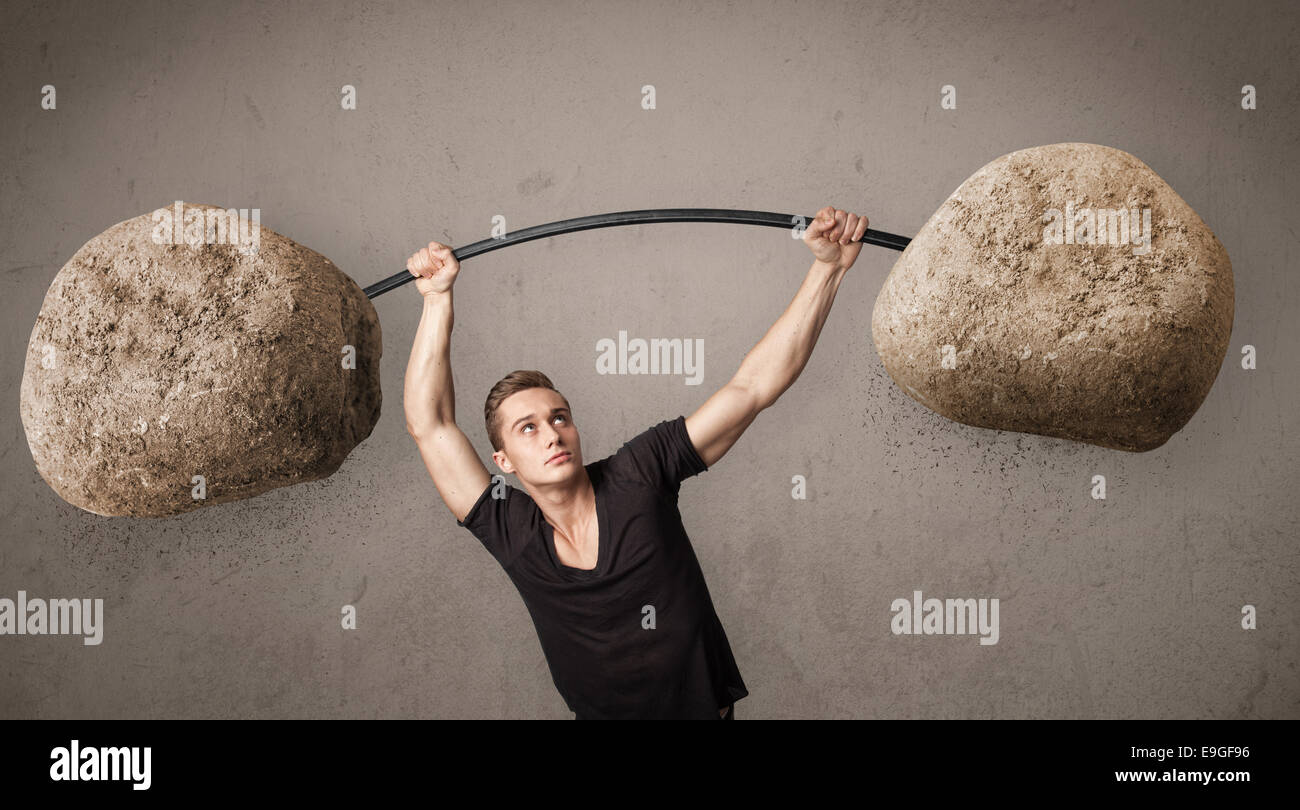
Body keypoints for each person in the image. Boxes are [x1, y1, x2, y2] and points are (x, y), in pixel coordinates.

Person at [403, 206, 870, 719]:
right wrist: (437, 298)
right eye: (528, 428)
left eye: (560, 417)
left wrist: (829, 269)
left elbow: (752, 387)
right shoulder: (508, 527)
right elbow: (431, 425)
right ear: (503, 460)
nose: (552, 434)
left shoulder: (638, 472)